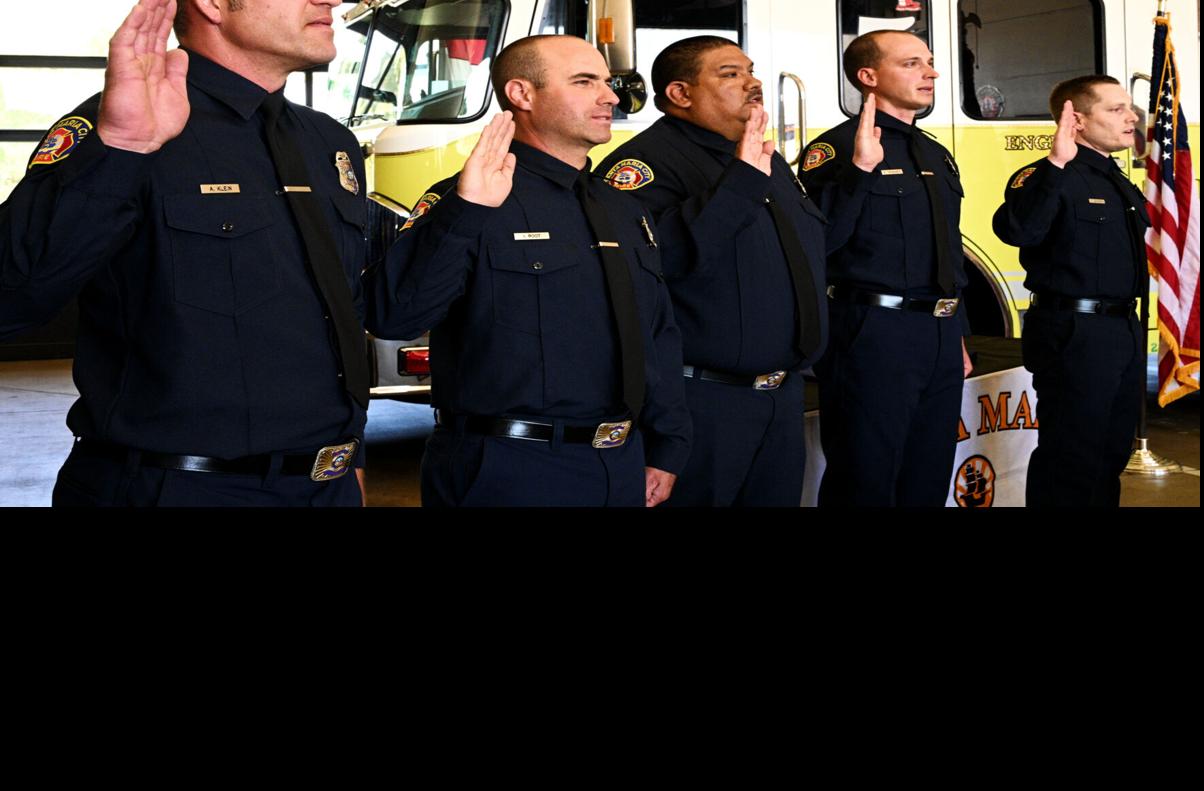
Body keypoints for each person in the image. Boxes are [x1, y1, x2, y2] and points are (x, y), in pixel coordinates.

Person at [0, 0, 372, 506]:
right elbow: (12, 298)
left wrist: (350, 458)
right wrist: (122, 147)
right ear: (213, 5)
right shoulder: (124, 122)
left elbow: (339, 314)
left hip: (326, 485)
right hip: (174, 488)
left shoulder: (330, 141)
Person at [366, 35, 689, 507]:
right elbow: (394, 316)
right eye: (585, 82)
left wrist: (667, 444)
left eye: (607, 82)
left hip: (620, 463)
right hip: (508, 468)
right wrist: (466, 211)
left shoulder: (623, 208)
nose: (611, 97)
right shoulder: (469, 197)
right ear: (522, 94)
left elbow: (658, 334)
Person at [597, 36, 826, 507]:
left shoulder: (761, 157)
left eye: (750, 70)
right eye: (730, 74)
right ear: (680, 94)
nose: (753, 83)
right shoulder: (643, 165)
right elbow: (658, 264)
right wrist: (741, 184)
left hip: (781, 399)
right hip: (703, 402)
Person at [798, 29, 972, 507]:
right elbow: (818, 244)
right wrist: (859, 171)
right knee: (865, 478)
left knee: (928, 475)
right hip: (873, 333)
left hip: (938, 336)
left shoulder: (934, 152)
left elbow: (948, 252)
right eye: (912, 63)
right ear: (868, 76)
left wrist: (956, 331)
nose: (931, 73)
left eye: (929, 62)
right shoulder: (836, 149)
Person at [992, 76, 1148, 507]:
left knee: (1110, 454)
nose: (1131, 117)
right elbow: (1021, 230)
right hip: (1074, 331)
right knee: (1071, 457)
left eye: (1128, 107)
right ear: (1076, 120)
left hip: (1122, 329)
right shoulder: (1046, 175)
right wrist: (1056, 164)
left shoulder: (1115, 179)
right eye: (1116, 109)